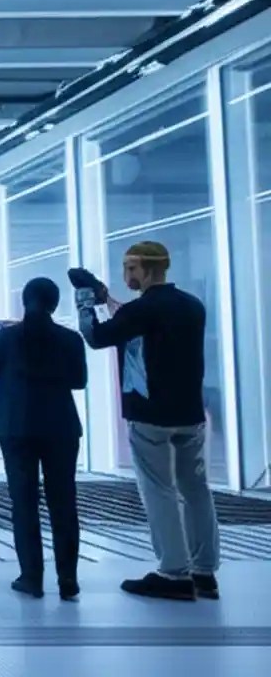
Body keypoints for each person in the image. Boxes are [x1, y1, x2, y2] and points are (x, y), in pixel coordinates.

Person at [76, 241, 219, 601]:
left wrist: (85, 304)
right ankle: (205, 572)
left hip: (149, 415)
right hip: (189, 413)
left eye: (131, 269)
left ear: (149, 270)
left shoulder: (141, 310)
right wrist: (111, 303)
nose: (127, 275)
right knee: (196, 490)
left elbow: (96, 337)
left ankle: (173, 573)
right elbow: (143, 323)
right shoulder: (192, 306)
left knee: (159, 491)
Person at [0, 277, 87, 601]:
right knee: (63, 501)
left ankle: (32, 577)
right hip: (61, 428)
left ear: (24, 302)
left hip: (17, 428)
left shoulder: (9, 337)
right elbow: (79, 381)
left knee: (24, 503)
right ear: (55, 304)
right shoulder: (70, 339)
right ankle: (68, 578)